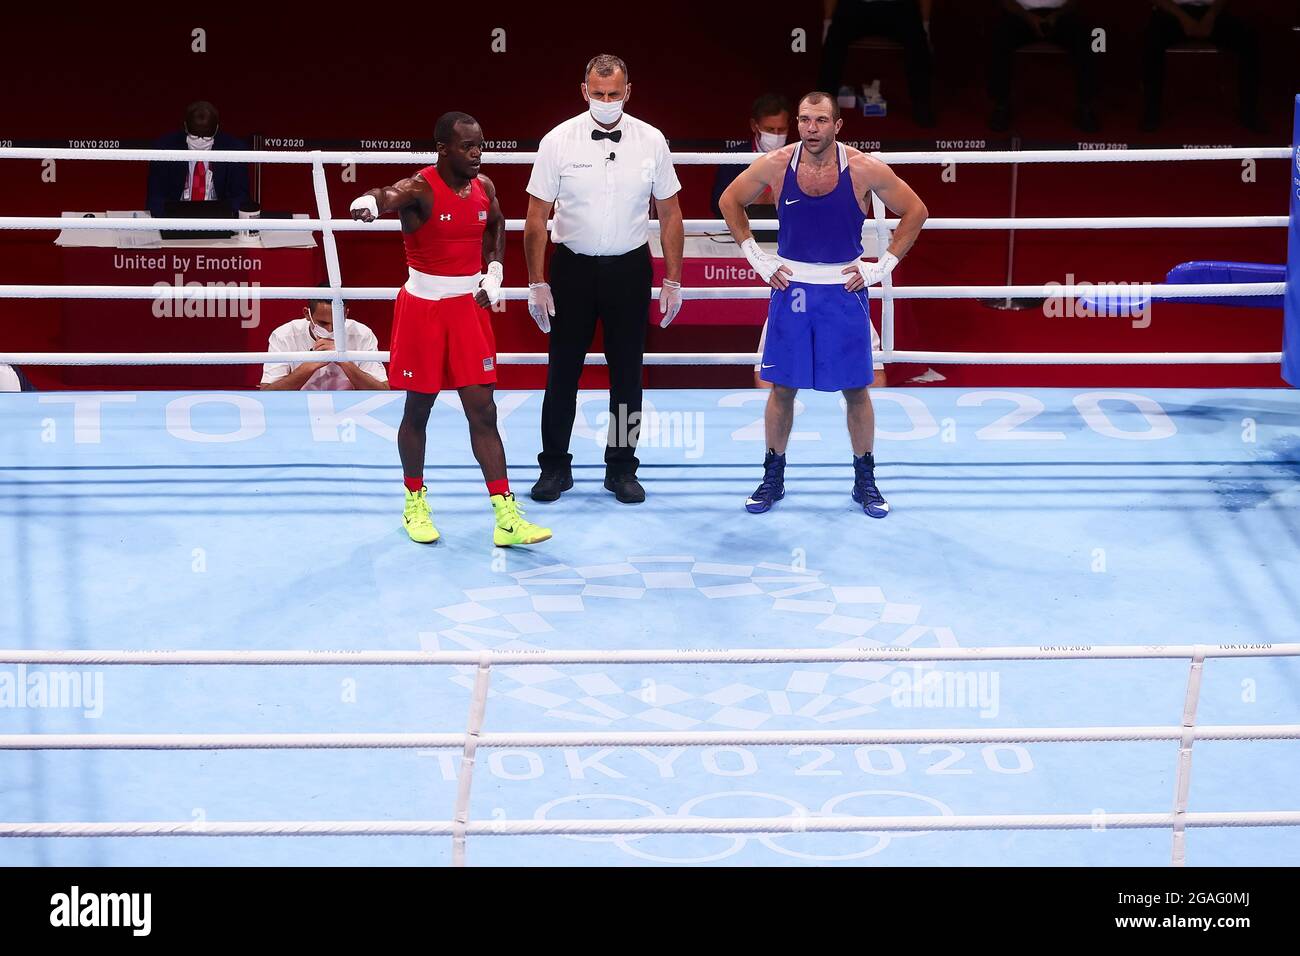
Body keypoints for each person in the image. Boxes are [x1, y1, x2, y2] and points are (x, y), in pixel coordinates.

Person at [719, 91, 928, 518]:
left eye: (819, 120)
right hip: (792, 287)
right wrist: (757, 256)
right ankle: (772, 476)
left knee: (856, 389)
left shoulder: (863, 168)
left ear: (837, 125)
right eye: (804, 120)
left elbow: (916, 210)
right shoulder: (777, 164)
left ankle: (865, 479)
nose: (810, 129)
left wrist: (882, 266)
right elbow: (729, 200)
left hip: (843, 289)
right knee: (782, 387)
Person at [350, 111, 551, 548]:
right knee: (417, 411)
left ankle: (506, 517)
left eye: (481, 145)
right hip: (422, 312)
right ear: (443, 148)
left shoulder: (485, 187)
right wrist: (371, 201)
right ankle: (414, 502)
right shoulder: (420, 187)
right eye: (467, 146)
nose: (477, 153)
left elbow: (495, 224)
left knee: (484, 411)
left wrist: (494, 271)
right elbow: (389, 193)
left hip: (468, 311)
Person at [524, 54, 685, 505]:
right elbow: (536, 217)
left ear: (628, 91)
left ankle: (622, 467)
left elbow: (670, 212)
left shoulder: (651, 140)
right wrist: (536, 281)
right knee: (562, 372)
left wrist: (673, 279)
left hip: (629, 270)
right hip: (571, 269)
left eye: (614, 93)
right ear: (584, 91)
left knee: (628, 375)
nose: (607, 100)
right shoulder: (557, 140)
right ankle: (554, 466)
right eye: (599, 93)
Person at [1141, 0, 1263, 132]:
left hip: (1211, 12)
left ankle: (1249, 113)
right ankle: (1151, 113)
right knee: (1151, 40)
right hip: (1172, 12)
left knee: (1248, 39)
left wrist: (1211, 15)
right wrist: (1184, 19)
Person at [818, 0, 935, 127]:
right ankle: (823, 106)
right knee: (835, 36)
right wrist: (827, 23)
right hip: (857, 7)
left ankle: (921, 105)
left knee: (917, 39)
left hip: (898, 7)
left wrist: (925, 26)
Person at [988, 0, 1099, 132]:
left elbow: (1074, 3)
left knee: (1089, 39)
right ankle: (1001, 105)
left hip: (1060, 16)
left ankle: (1085, 106)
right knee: (1000, 36)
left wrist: (1056, 16)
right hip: (1021, 15)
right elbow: (1006, 2)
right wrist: (1029, 18)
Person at [259, 295, 388, 391]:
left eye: (337, 322)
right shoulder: (284, 335)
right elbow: (267, 392)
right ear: (307, 314)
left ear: (346, 314)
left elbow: (383, 390)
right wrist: (307, 367)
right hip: (298, 408)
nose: (330, 329)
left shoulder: (362, 334)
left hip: (349, 409)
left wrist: (345, 361)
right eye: (323, 323)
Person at [146, 101, 251, 218]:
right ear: (185, 126)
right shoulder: (164, 148)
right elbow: (155, 198)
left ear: (216, 129)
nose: (200, 141)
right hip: (175, 220)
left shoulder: (234, 149)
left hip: (219, 220)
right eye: (194, 136)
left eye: (207, 137)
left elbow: (240, 197)